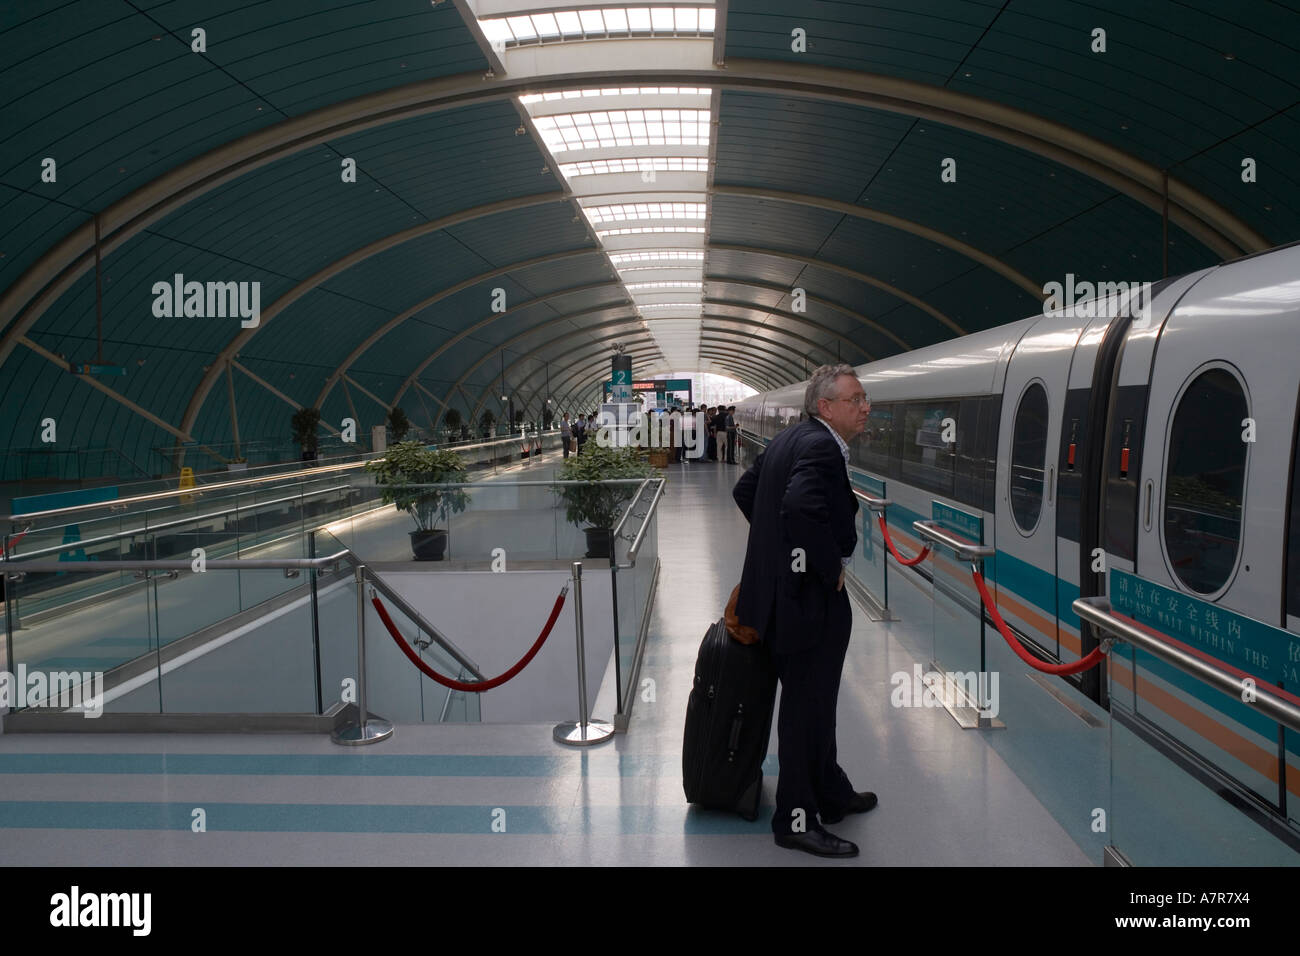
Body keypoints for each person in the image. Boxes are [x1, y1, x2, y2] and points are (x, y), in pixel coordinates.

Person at [731, 364, 873, 858]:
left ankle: (829, 790)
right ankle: (796, 818)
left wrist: (777, 553)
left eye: (863, 398)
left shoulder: (792, 439)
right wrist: (825, 564)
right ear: (826, 407)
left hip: (782, 600)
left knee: (815, 703)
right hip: (806, 605)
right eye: (855, 399)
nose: (865, 406)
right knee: (804, 710)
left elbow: (746, 492)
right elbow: (797, 506)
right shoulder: (818, 446)